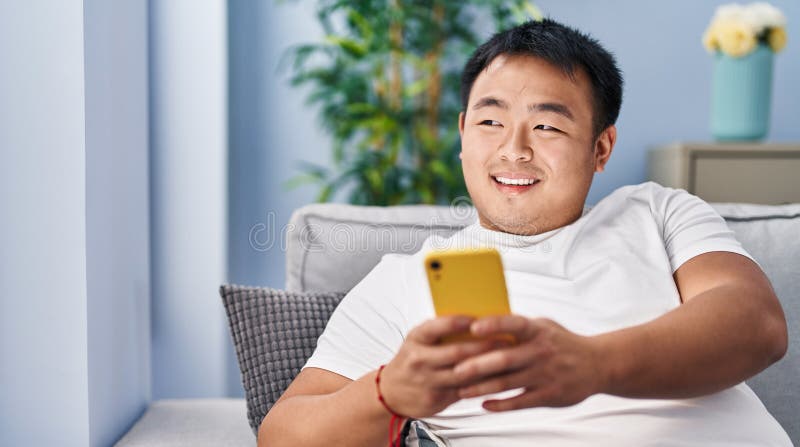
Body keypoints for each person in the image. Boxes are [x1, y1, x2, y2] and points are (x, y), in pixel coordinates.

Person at [260, 19, 790, 446]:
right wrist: (387, 393)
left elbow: (757, 323)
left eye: (547, 126)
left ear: (601, 148)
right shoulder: (404, 280)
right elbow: (283, 435)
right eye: (491, 123)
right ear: (463, 134)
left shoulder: (657, 212)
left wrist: (592, 364)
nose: (514, 149)